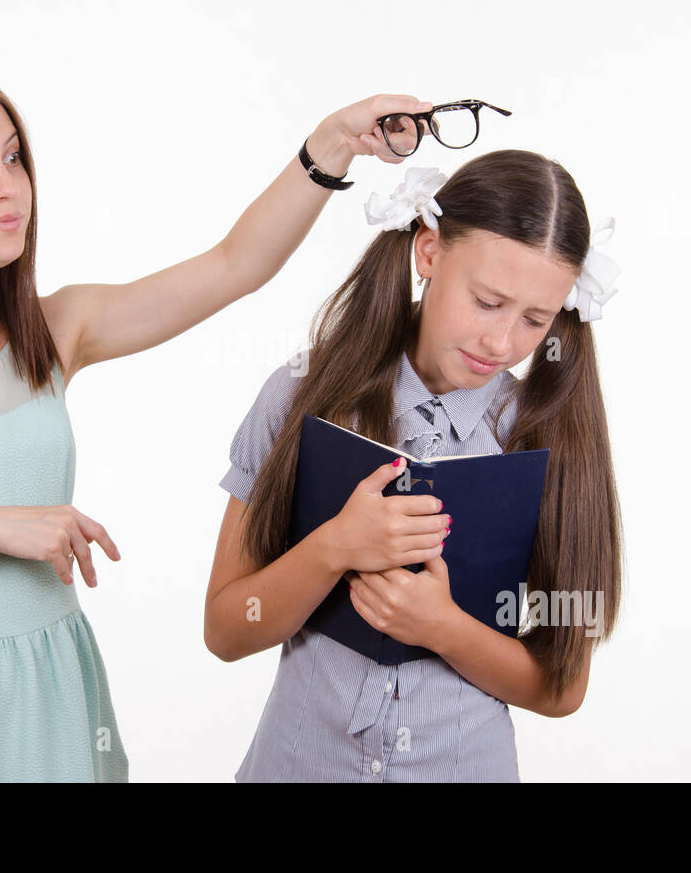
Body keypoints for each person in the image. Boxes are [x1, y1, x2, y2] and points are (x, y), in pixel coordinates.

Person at [0, 57, 430, 782]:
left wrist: (332, 142)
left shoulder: (57, 329)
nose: (8, 188)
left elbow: (233, 265)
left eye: (13, 158)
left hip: (54, 690)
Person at [204, 148, 625, 781]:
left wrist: (443, 628)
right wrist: (333, 548)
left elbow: (561, 688)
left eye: (536, 320)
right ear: (428, 252)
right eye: (486, 301)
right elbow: (228, 630)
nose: (501, 342)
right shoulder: (302, 396)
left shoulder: (545, 440)